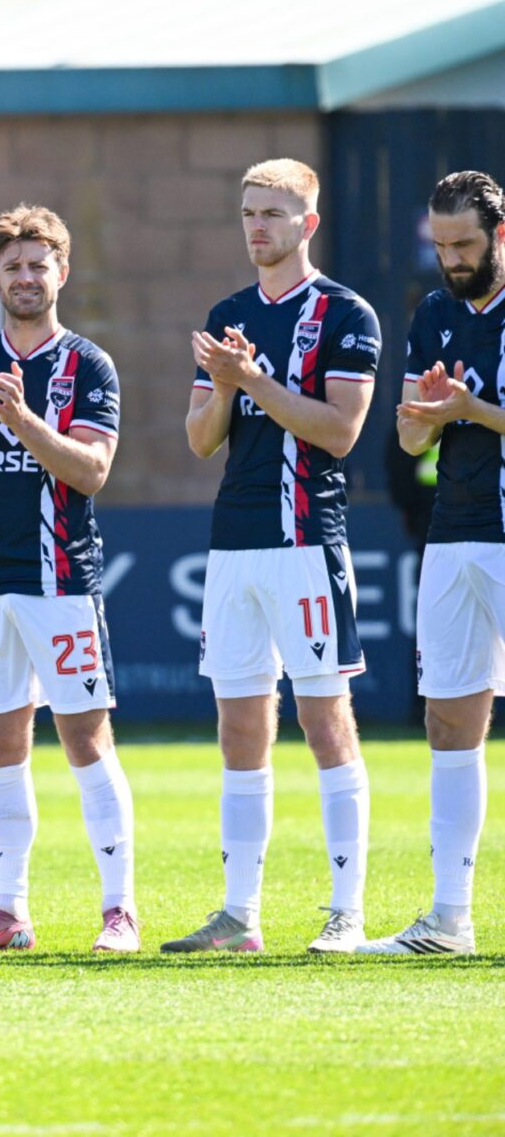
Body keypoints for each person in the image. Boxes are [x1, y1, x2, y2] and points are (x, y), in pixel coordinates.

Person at [164, 159, 379, 954]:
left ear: (307, 223)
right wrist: (224, 385)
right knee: (240, 723)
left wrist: (250, 377)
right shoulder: (227, 313)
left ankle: (346, 911)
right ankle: (239, 914)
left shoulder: (345, 314)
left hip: (307, 542)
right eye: (249, 213)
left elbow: (340, 430)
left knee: (326, 718)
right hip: (236, 545)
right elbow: (198, 439)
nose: (258, 227)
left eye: (274, 215)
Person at [0, 205, 136, 953]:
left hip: (61, 581)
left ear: (61, 273)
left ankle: (120, 910)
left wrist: (24, 422)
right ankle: (8, 910)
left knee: (84, 736)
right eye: (12, 266)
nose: (25, 277)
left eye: (37, 264)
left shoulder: (89, 365)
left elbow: (93, 470)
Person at [365, 169, 505, 955]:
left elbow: (471, 416)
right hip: (454, 535)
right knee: (450, 717)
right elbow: (413, 436)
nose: (452, 258)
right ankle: (450, 917)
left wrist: (469, 410)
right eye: (442, 244)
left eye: (465, 244)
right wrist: (424, 420)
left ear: (499, 236)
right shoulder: (433, 314)